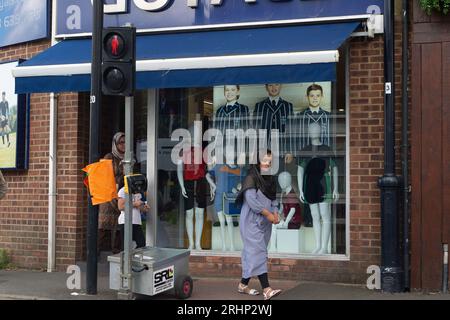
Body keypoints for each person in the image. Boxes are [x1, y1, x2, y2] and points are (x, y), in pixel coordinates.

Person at [235, 150, 282, 300]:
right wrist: (268, 214)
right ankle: (267, 289)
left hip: (265, 223)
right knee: (259, 252)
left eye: (270, 160)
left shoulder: (270, 179)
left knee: (252, 253)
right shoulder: (251, 177)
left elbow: (274, 201)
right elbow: (251, 200)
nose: (267, 163)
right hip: (250, 221)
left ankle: (243, 285)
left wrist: (275, 213)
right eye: (264, 160)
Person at [297, 123, 339, 254]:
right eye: (311, 129)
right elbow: (300, 171)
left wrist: (335, 188)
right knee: (315, 216)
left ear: (321, 131)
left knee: (325, 215)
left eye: (316, 129)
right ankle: (318, 245)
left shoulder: (327, 149)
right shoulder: (304, 150)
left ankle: (325, 247)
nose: (314, 131)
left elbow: (335, 169)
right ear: (308, 132)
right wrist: (301, 190)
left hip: (324, 184)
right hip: (309, 184)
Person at [253, 84, 295, 172]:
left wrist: (289, 151)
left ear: (281, 86)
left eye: (276, 84)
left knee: (280, 178)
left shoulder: (287, 106)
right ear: (266, 87)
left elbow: (291, 130)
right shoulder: (259, 106)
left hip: (281, 150)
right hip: (264, 150)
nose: (274, 88)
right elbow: (255, 130)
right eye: (270, 85)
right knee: (265, 178)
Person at [98, 132, 126, 254]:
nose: (124, 145)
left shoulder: (128, 158)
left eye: (126, 142)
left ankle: (117, 251)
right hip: (108, 195)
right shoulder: (108, 157)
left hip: (121, 194)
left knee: (119, 224)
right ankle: (96, 252)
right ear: (115, 144)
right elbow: (103, 177)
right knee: (104, 225)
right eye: (121, 142)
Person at [299, 84, 331, 149]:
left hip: (324, 154)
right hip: (305, 155)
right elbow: (296, 139)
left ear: (322, 96)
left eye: (318, 95)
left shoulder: (328, 116)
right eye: (312, 96)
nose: (315, 98)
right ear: (307, 96)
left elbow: (331, 138)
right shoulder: (300, 116)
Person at [117, 184, 149, 250]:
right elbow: (120, 206)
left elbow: (139, 206)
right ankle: (127, 259)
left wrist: (143, 207)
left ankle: (133, 257)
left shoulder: (137, 191)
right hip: (125, 221)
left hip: (136, 221)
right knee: (126, 246)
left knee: (141, 243)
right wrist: (135, 204)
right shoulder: (123, 190)